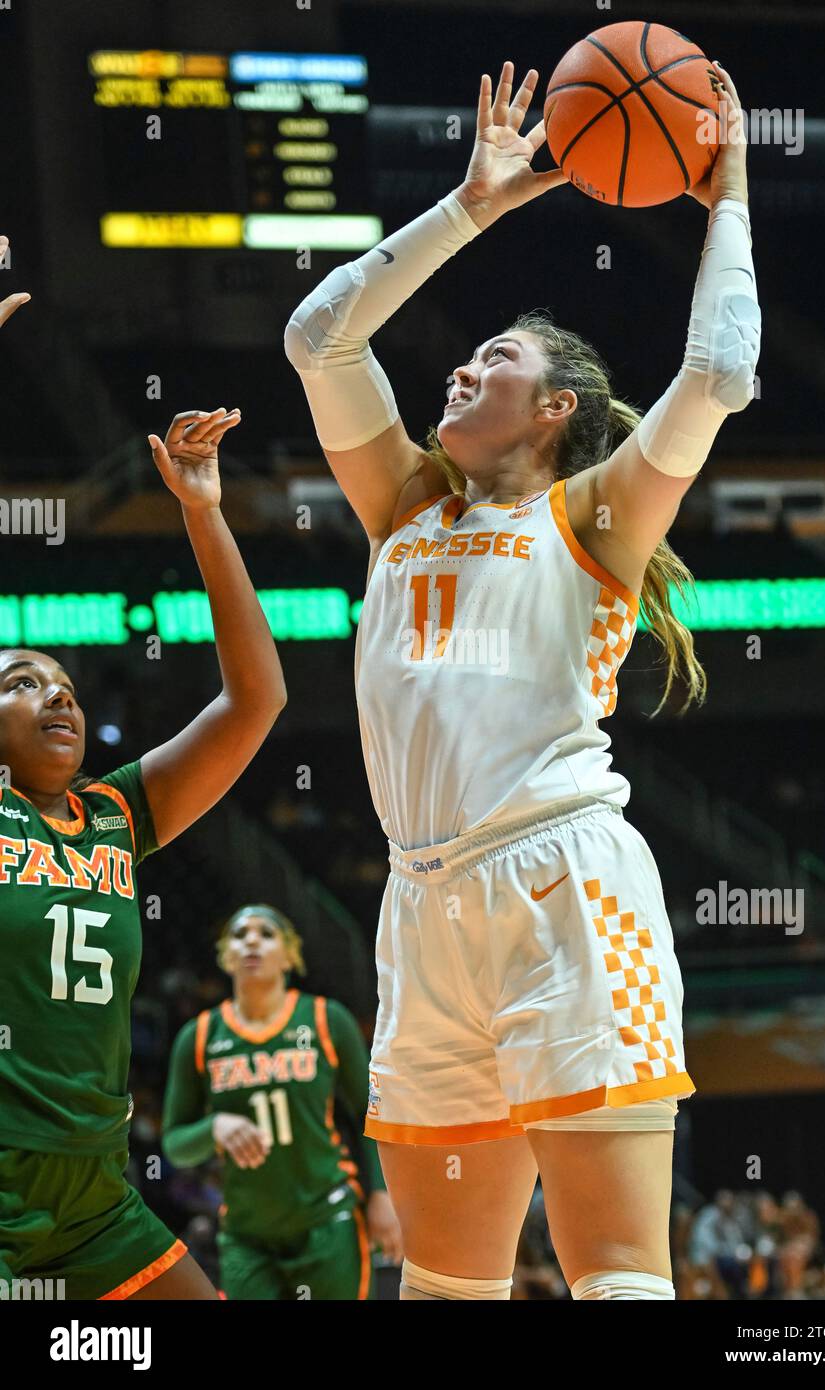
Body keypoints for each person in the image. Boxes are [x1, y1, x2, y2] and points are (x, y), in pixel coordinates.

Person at [283, 58, 759, 1302]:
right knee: (442, 1290)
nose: (455, 369)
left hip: (562, 885)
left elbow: (714, 379)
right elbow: (318, 334)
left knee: (613, 1276)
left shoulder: (594, 517)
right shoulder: (400, 507)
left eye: (488, 358)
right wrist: (473, 207)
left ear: (552, 409)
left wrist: (730, 197)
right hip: (422, 907)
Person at [0, 258, 287, 1299]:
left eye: (69, 684)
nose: (60, 696)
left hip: (94, 1195)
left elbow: (254, 703)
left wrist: (202, 513)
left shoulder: (115, 816)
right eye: (25, 682)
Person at [162, 904, 402, 1299]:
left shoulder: (326, 1019)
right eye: (239, 934)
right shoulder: (200, 1036)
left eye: (267, 933)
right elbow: (175, 1144)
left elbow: (371, 1113)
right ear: (226, 956)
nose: (252, 940)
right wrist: (214, 1127)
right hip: (246, 1232)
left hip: (328, 1219)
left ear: (290, 954)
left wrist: (381, 1194)